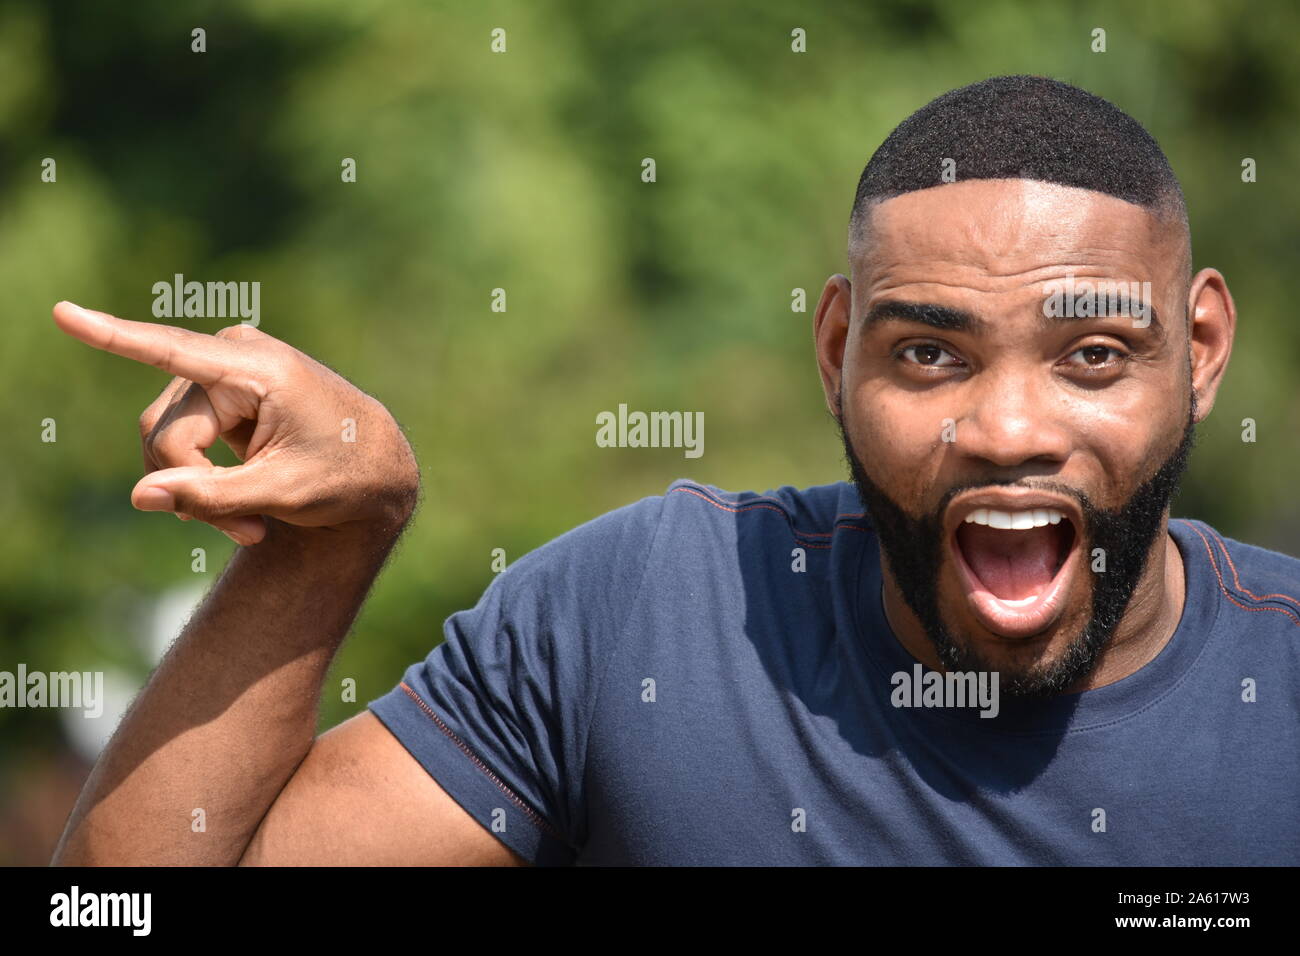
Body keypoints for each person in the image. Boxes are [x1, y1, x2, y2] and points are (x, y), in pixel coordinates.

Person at [50, 76, 1299, 866]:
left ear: (1196, 353)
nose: (1008, 426)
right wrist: (325, 553)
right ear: (833, 352)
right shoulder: (645, 615)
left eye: (1090, 354)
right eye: (929, 352)